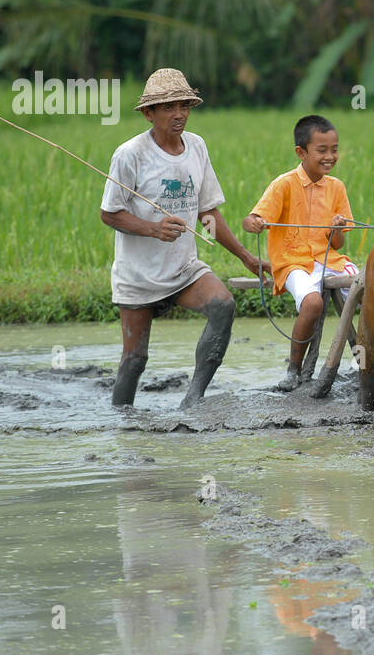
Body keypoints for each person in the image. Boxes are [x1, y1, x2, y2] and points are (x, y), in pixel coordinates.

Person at [99, 68, 269, 408]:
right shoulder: (130, 154)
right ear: (149, 113)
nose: (179, 115)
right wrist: (153, 229)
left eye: (185, 106)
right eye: (169, 107)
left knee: (222, 305)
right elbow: (110, 213)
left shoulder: (197, 147)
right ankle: (122, 421)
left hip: (183, 269)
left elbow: (208, 214)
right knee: (135, 360)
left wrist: (245, 257)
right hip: (138, 275)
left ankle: (192, 399)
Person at [243, 114, 356, 391]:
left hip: (330, 260)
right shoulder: (284, 184)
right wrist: (256, 224)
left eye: (334, 149)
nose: (330, 156)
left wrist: (337, 228)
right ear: (301, 152)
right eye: (322, 150)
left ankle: (372, 361)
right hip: (292, 261)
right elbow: (250, 220)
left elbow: (338, 244)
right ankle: (294, 369)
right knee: (313, 304)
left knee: (369, 287)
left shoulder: (336, 188)